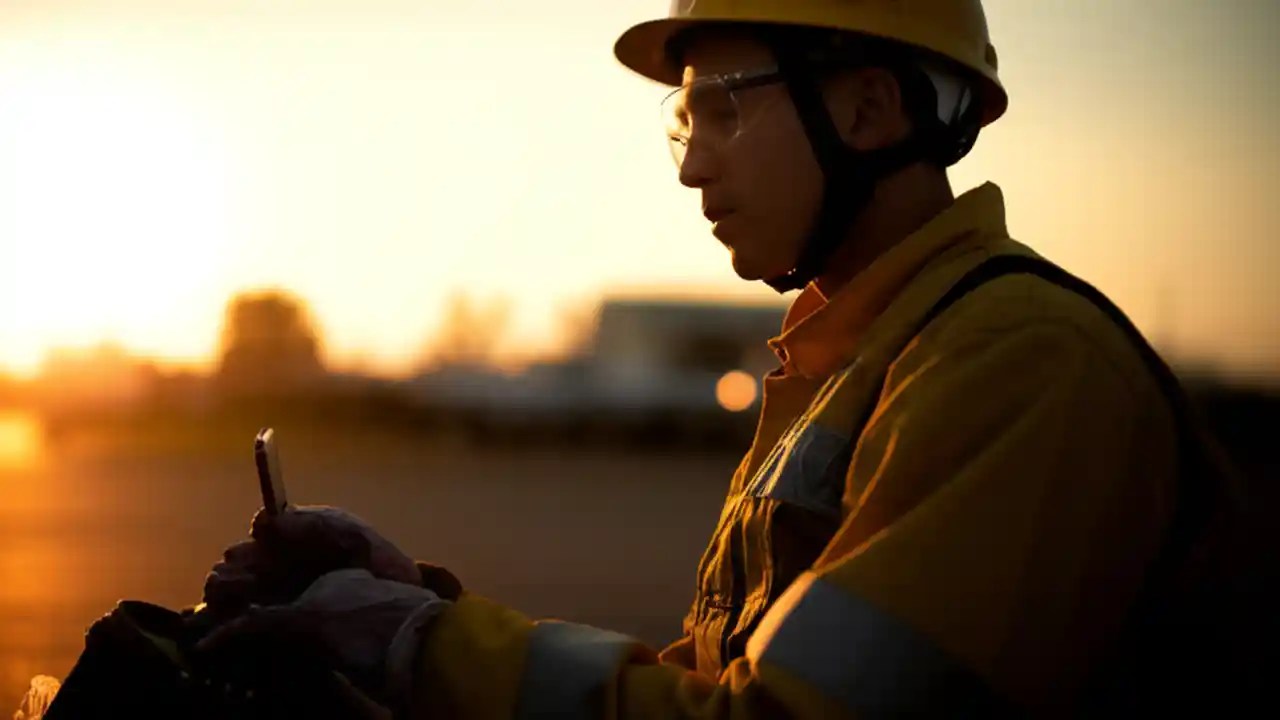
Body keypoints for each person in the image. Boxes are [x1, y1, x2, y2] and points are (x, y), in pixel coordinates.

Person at [24, 0, 1245, 717]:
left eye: (720, 107)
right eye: (681, 118)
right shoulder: (866, 355)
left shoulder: (1015, 365)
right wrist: (411, 601)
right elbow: (712, 688)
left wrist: (410, 646)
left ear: (869, 115)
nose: (688, 163)